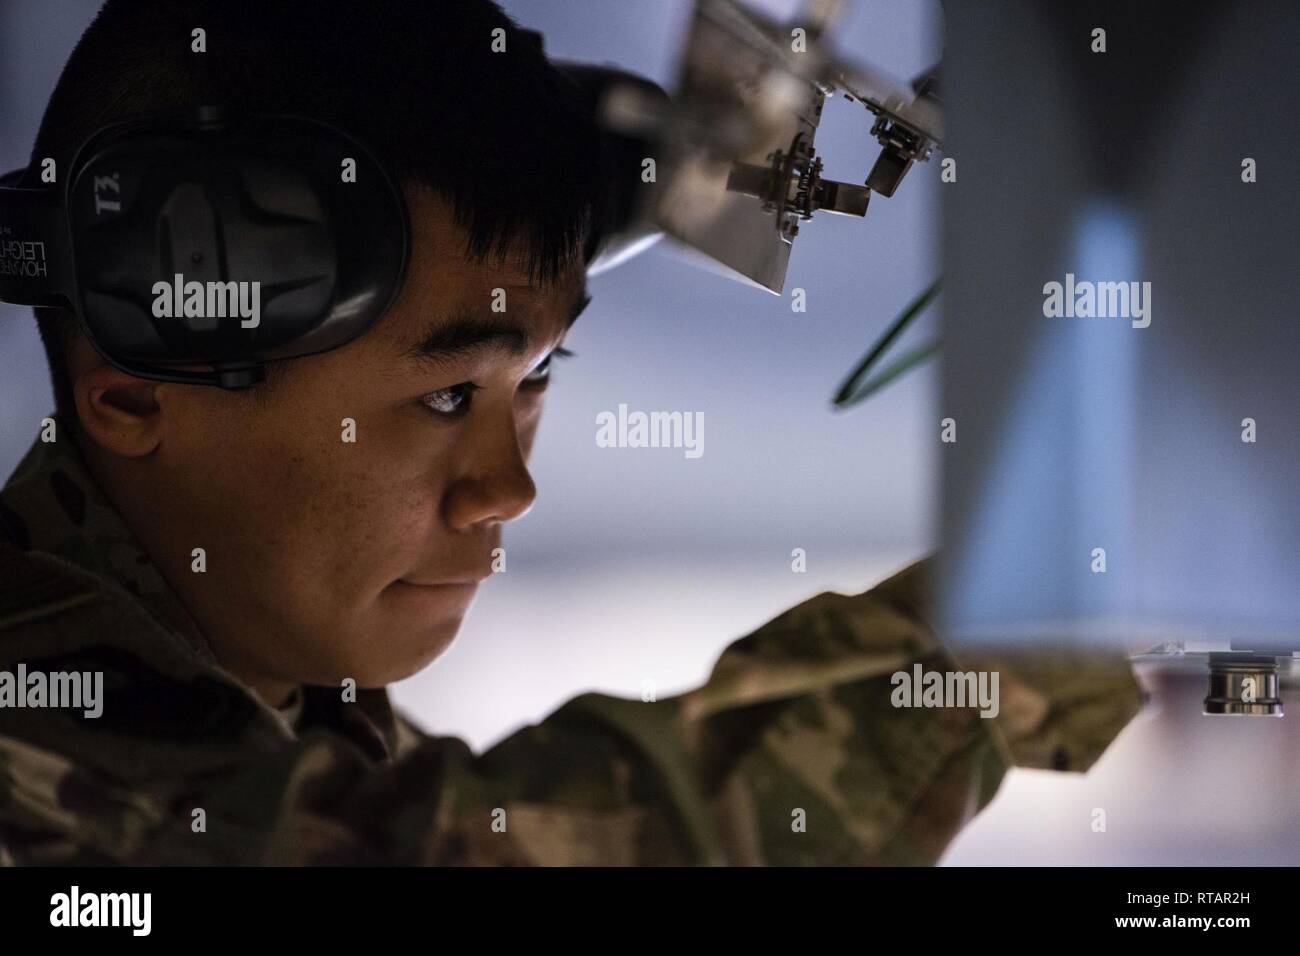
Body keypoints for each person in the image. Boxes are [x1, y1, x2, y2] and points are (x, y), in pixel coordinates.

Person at [0, 0, 1140, 865]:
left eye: (538, 377)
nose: (506, 487)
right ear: (141, 395)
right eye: (446, 394)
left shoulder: (280, 695)